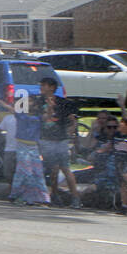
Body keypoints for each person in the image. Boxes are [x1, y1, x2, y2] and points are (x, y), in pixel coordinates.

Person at [33, 77, 82, 208]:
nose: (41, 87)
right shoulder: (38, 101)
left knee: (65, 168)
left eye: (44, 85)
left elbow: (72, 120)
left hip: (61, 140)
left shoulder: (63, 103)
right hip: (45, 140)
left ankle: (75, 197)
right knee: (53, 170)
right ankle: (54, 195)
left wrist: (71, 131)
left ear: (52, 87)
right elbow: (37, 119)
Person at [8, 109, 50, 206]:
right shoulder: (20, 115)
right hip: (22, 146)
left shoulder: (38, 117)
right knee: (25, 171)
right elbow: (7, 106)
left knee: (37, 171)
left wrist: (50, 104)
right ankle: (19, 196)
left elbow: (48, 116)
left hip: (34, 147)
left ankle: (41, 198)